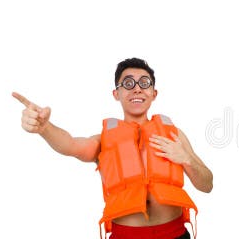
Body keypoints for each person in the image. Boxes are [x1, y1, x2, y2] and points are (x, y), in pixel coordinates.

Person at [13, 57, 213, 239]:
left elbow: (207, 185)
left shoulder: (174, 135)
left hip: (175, 234)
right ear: (116, 94)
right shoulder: (104, 140)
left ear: (154, 93)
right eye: (128, 83)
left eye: (144, 83)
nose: (137, 89)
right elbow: (70, 144)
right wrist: (44, 128)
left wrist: (186, 158)